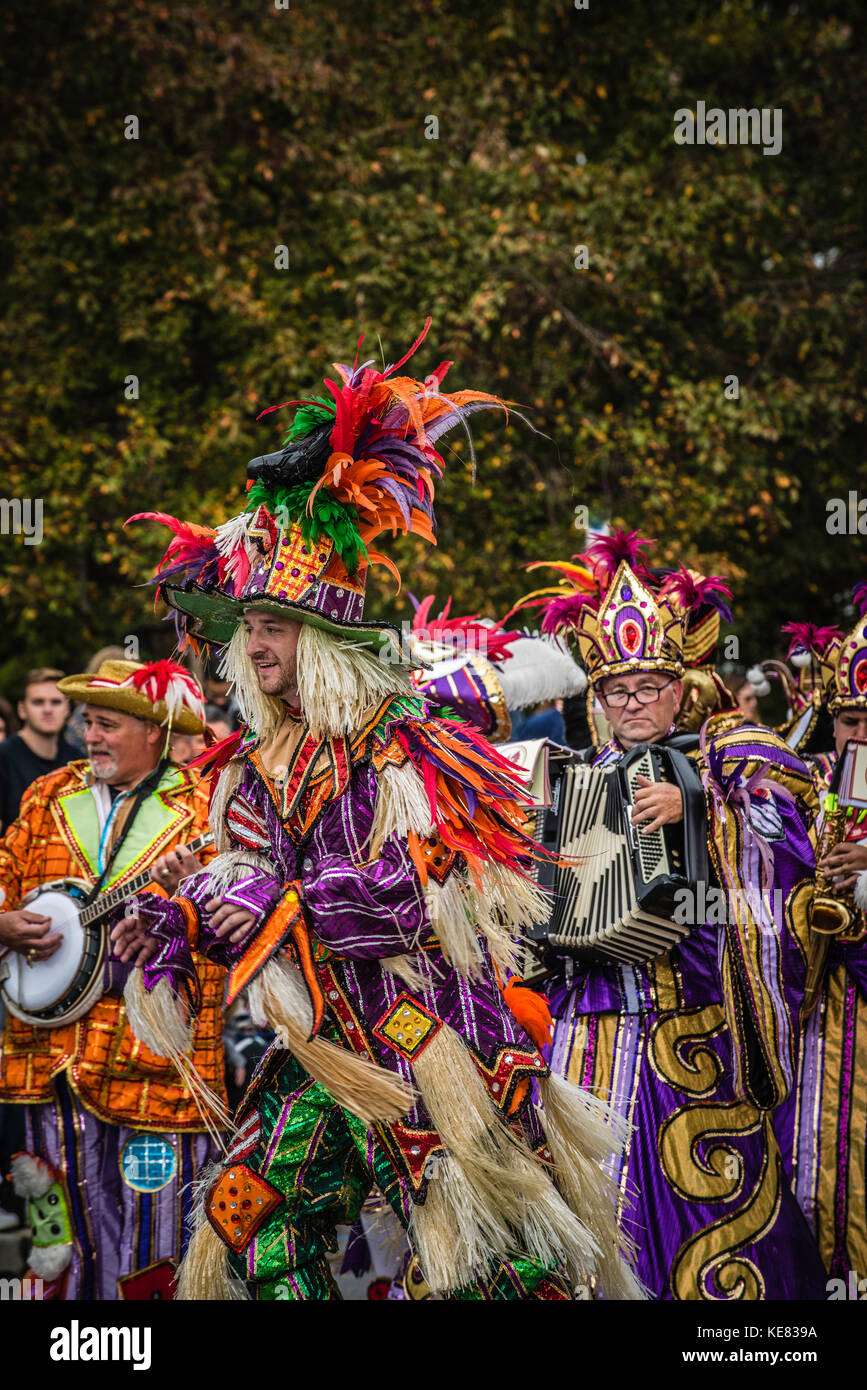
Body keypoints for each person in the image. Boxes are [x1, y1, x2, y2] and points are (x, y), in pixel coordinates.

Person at [112, 322, 641, 1302]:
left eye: (275, 624)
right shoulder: (251, 767)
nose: (257, 643)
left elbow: (437, 887)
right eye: (249, 626)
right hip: (317, 1049)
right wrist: (183, 918)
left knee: (496, 1271)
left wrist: (287, 905)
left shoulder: (409, 742)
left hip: (429, 1036)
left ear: (321, 640)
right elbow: (239, 884)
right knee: (251, 1233)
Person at [516, 530, 827, 1299]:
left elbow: (778, 872)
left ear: (681, 686)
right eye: (617, 691)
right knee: (580, 1222)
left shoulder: (727, 757)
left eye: (650, 688)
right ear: (595, 697)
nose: (633, 705)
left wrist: (692, 804)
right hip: (584, 1027)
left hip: (685, 1030)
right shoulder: (577, 774)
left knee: (704, 1226)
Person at [0, 658, 224, 1300]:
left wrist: (190, 905)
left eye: (106, 725)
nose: (89, 736)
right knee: (59, 1238)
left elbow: (243, 917)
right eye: (87, 722)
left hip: (150, 1061)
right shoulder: (47, 796)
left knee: (150, 1247)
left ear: (154, 731)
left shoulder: (206, 806)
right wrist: (6, 923)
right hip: (45, 1060)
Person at [775, 587, 867, 1280]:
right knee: (806, 1184)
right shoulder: (810, 792)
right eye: (848, 719)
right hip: (812, 1034)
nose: (859, 736)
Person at [0, 668, 76, 833]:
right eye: (38, 702)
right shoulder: (4, 757)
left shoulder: (77, 762)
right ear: (22, 709)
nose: (48, 709)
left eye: (56, 702)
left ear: (67, 708)